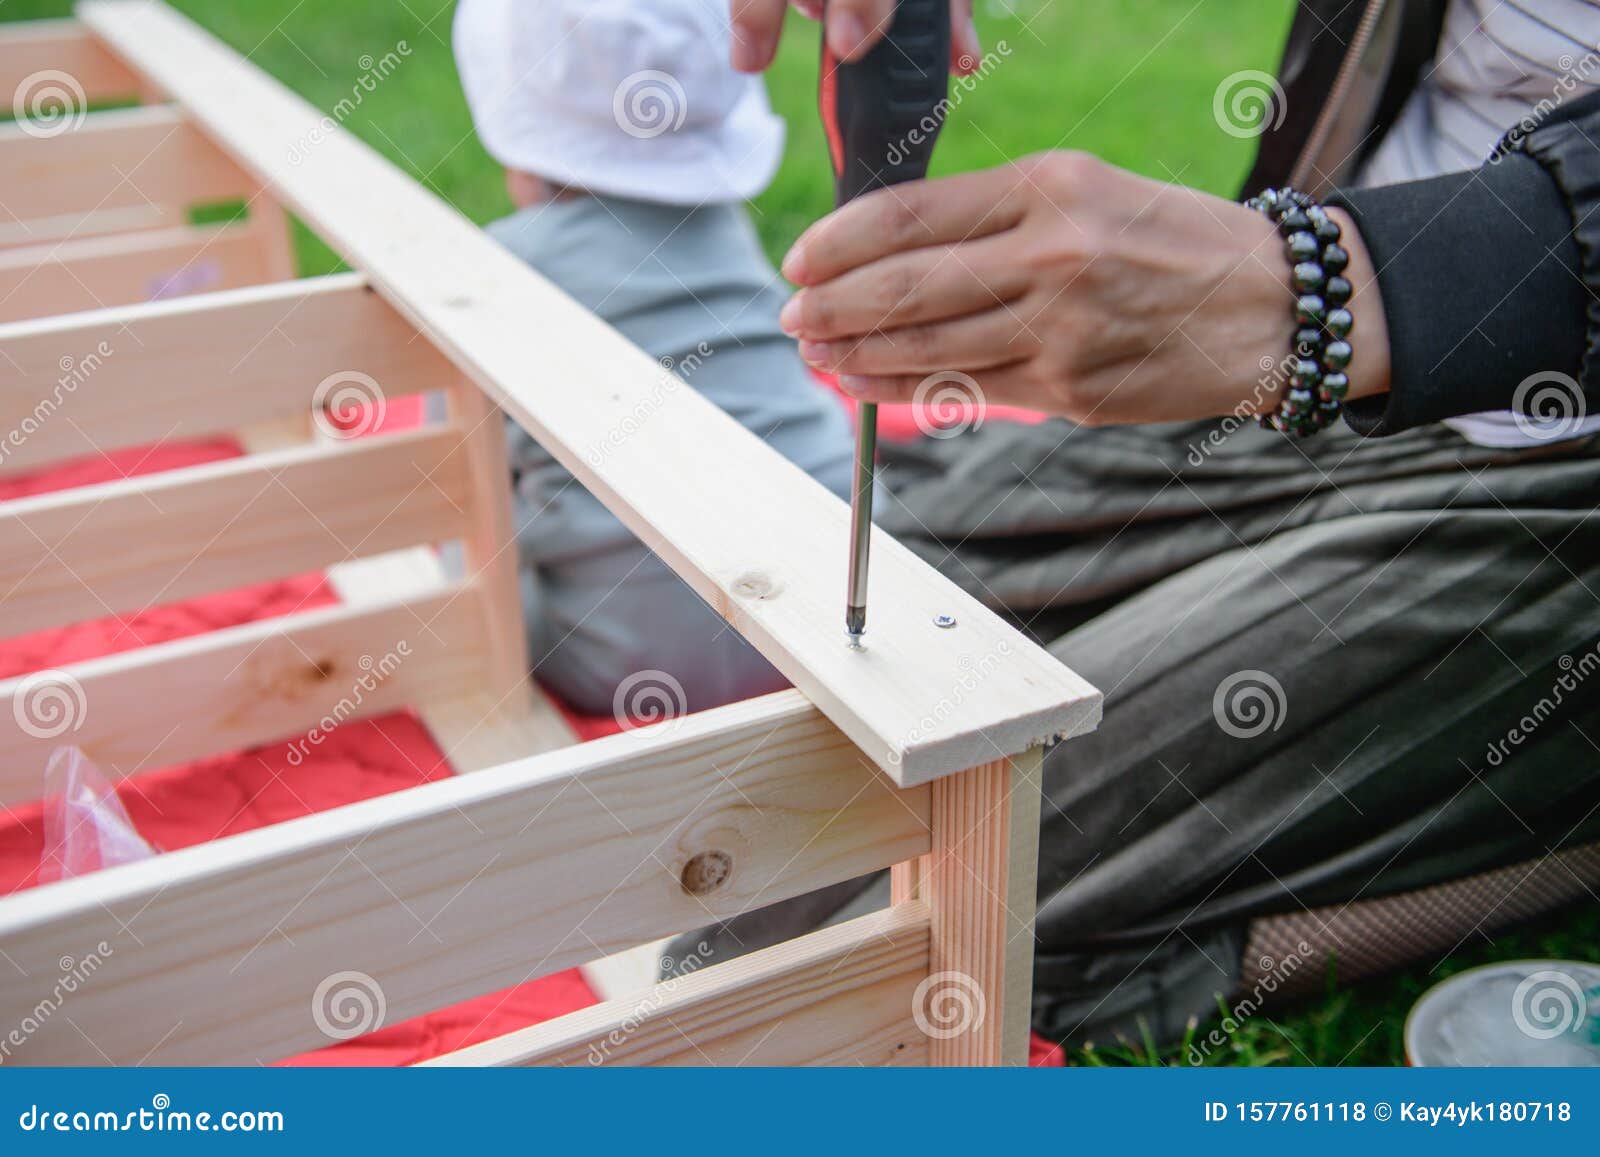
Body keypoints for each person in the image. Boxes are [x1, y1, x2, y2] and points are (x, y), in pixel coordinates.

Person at [660, 0, 1600, 1047]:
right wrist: (1313, 307)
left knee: (919, 924)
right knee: (838, 579)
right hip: (1326, 371)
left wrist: (1330, 287)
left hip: (1550, 457)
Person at [453, 0, 859, 715]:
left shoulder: (494, 272)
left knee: (465, 543)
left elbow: (453, 483)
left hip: (623, 658)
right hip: (836, 605)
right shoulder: (727, 233)